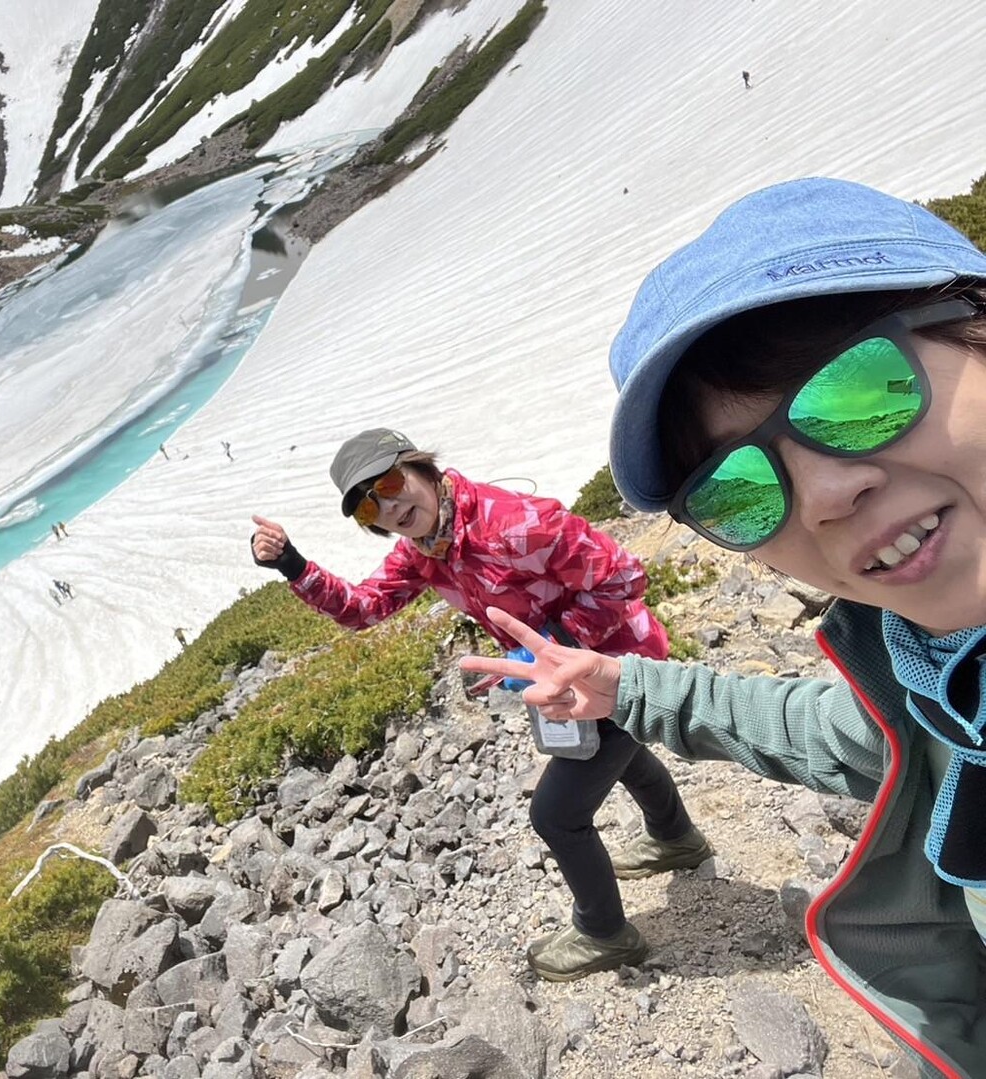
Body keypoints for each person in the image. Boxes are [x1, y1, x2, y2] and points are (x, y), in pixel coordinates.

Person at [462, 178, 986, 1078]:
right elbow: (866, 739)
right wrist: (623, 685)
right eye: (738, 492)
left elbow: (616, 572)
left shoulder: (512, 517)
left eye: (858, 390)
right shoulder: (933, 671)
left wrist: (615, 637)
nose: (824, 495)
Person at [251, 428, 712, 980]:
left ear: (421, 468)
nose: (391, 505)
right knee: (625, 755)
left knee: (557, 815)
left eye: (392, 483)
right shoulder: (427, 551)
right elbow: (364, 608)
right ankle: (676, 839)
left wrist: (552, 645)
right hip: (567, 678)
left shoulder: (514, 524)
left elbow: (623, 577)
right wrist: (293, 565)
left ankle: (606, 934)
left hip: (616, 664)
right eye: (369, 505)